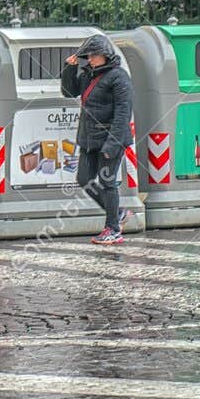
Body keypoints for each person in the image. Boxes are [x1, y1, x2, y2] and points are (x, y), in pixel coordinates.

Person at [61, 34, 133, 245]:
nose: (90, 59)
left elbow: (123, 112)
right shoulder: (88, 75)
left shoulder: (119, 77)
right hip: (89, 139)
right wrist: (69, 69)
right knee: (84, 178)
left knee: (107, 182)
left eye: (94, 55)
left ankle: (112, 229)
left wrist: (112, 144)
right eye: (88, 55)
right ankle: (117, 214)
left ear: (105, 55)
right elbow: (68, 92)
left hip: (111, 139)